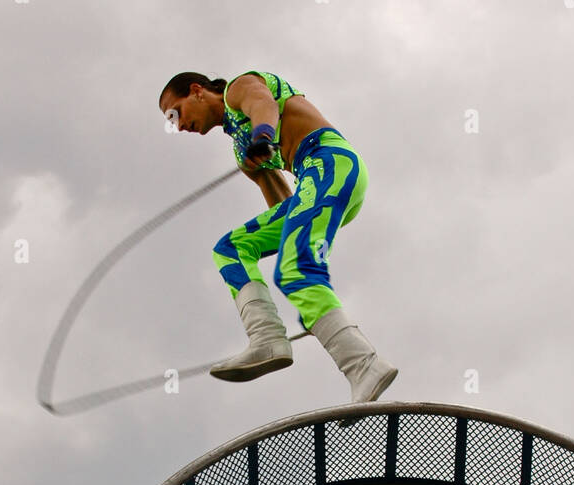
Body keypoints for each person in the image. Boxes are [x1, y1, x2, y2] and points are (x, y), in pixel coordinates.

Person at [158, 70, 398, 402]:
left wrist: (264, 135)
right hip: (315, 185)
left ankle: (364, 364)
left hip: (330, 164)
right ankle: (267, 338)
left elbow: (263, 103)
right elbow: (284, 207)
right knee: (231, 249)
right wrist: (308, 302)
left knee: (294, 269)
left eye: (175, 113)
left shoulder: (238, 89)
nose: (178, 125)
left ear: (197, 91)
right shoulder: (243, 153)